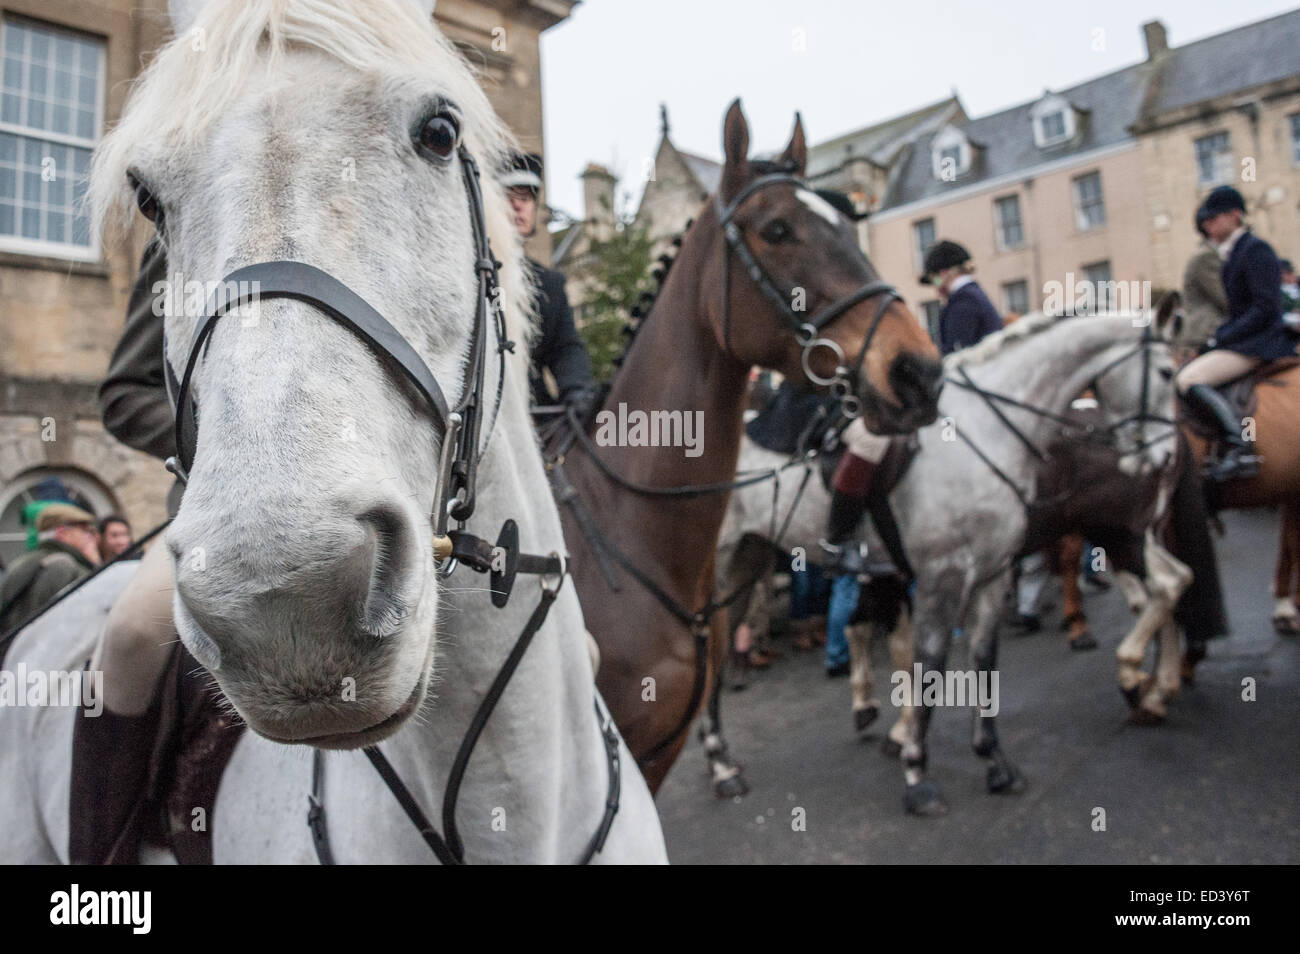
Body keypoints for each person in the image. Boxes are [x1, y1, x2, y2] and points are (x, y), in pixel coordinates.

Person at [1176, 186, 1293, 483]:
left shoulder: (1255, 250)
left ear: (1235, 215)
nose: (1207, 225)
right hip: (1243, 339)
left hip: (1259, 342)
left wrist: (1222, 337)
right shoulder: (1232, 256)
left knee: (1188, 380)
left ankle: (1241, 447)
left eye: (1213, 219)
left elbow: (1266, 308)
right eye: (1206, 221)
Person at [501, 151, 597, 417]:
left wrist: (576, 389)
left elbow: (565, 347)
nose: (519, 205)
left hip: (534, 416)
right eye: (508, 196)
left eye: (526, 197)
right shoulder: (469, 275)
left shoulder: (549, 284)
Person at [0, 503, 100, 634]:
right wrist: (95, 566)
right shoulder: (62, 566)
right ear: (62, 532)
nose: (91, 536)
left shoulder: (27, 561)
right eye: (85, 530)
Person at [921, 240, 1004, 356]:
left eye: (934, 280)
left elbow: (955, 354)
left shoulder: (963, 300)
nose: (935, 287)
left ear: (943, 274)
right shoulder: (973, 294)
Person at [1180, 208, 1230, 357]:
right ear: (1208, 225)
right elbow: (1226, 299)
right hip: (1207, 333)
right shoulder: (1206, 257)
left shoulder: (1215, 253)